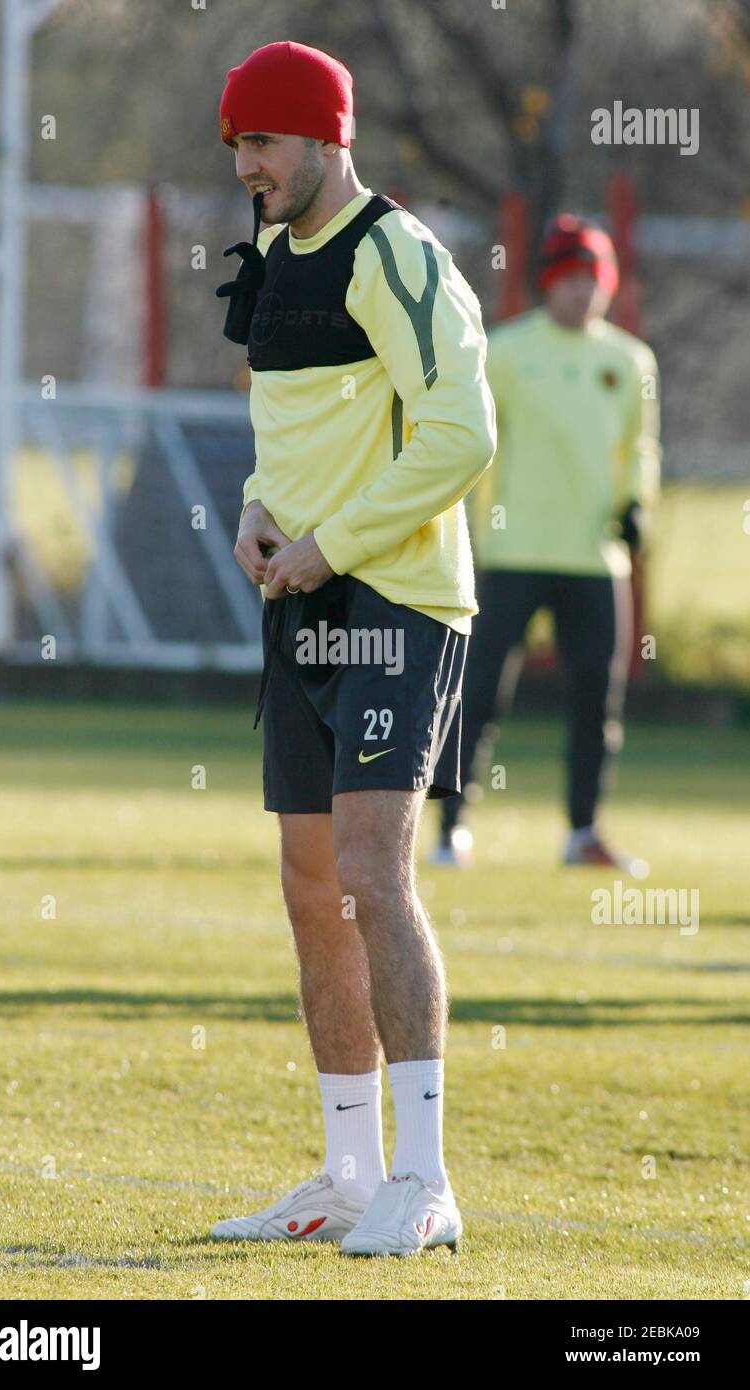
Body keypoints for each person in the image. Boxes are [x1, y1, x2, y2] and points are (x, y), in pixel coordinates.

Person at [209, 41, 496, 1256]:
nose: (248, 169)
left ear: (328, 138)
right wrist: (258, 514)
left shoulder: (398, 256)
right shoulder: (273, 254)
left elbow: (461, 433)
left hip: (398, 602)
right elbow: (281, 423)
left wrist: (333, 541)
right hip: (303, 602)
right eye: (234, 149)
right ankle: (346, 1170)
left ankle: (424, 1182)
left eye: (263, 144)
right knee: (310, 894)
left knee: (374, 876)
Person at [432, 214, 661, 873]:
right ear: (547, 282)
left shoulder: (628, 360)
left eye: (593, 280)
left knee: (596, 701)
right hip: (511, 552)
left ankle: (582, 832)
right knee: (477, 696)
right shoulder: (501, 352)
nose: (581, 293)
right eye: (569, 279)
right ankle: (451, 830)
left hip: (593, 558)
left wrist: (637, 505)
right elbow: (465, 447)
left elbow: (640, 449)